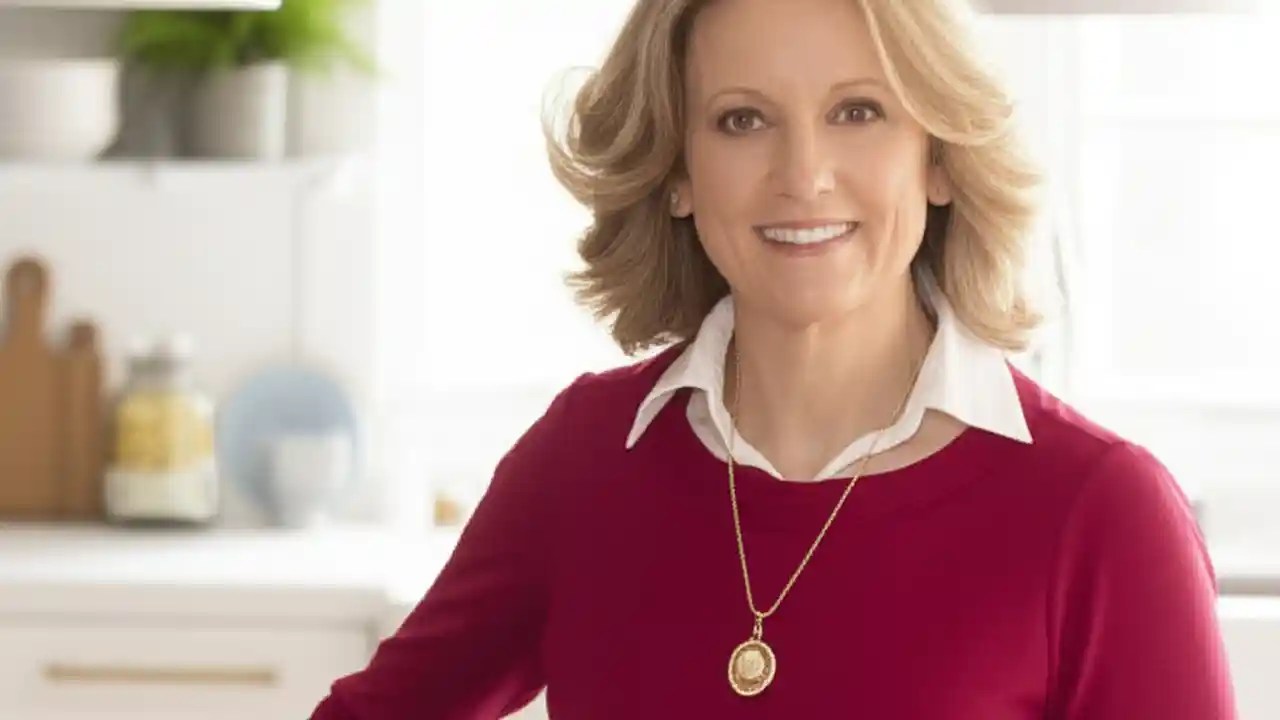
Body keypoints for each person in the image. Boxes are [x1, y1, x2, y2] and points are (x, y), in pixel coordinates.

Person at [311, 0, 1237, 717]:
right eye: (742, 121)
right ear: (676, 172)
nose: (803, 174)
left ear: (939, 160)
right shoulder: (583, 459)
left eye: (859, 112)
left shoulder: (1101, 511)